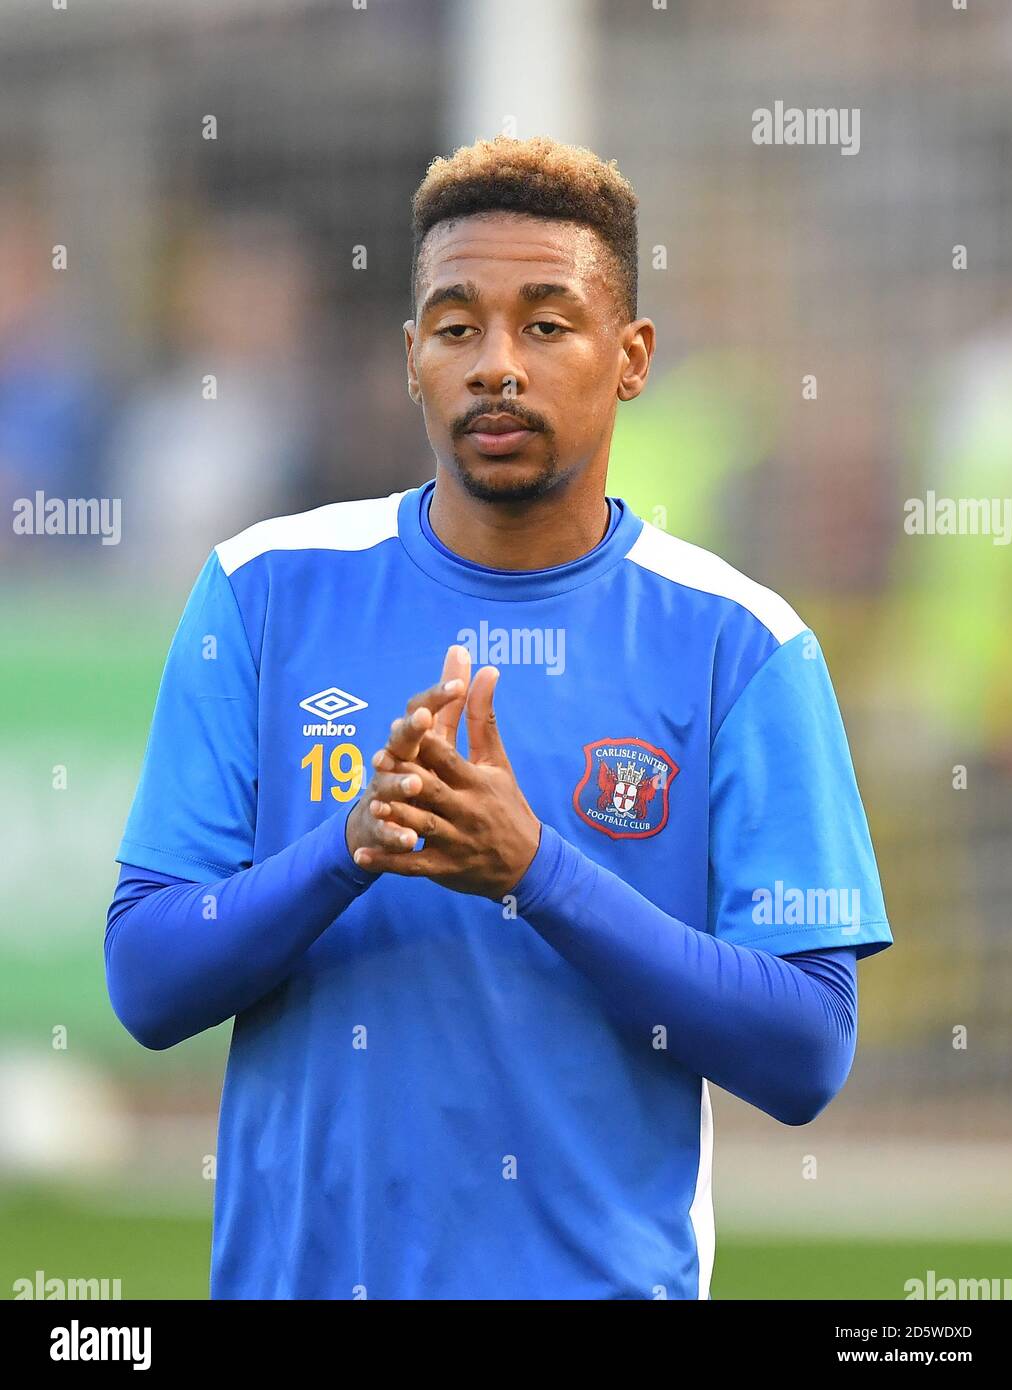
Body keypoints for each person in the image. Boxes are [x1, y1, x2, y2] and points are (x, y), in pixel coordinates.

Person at [106, 135, 892, 1300]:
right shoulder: (262, 589)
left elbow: (804, 1053)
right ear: (409, 356)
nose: (496, 366)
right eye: (457, 325)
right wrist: (352, 846)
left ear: (629, 358)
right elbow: (148, 984)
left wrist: (532, 868)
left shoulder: (741, 642)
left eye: (545, 323)